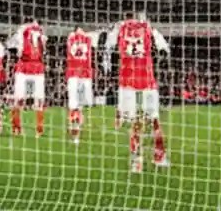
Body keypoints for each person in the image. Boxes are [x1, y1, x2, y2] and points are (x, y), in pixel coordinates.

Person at [103, 11, 171, 172]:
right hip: (147, 80)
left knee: (134, 123)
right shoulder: (148, 27)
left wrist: (109, 67)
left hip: (127, 81)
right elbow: (165, 49)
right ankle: (159, 157)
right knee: (154, 121)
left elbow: (107, 48)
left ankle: (136, 161)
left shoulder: (119, 28)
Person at [6, 19, 47, 136]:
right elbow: (44, 49)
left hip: (24, 66)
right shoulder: (41, 31)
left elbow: (17, 49)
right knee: (39, 100)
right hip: (37, 66)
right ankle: (39, 130)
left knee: (18, 98)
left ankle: (16, 128)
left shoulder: (22, 29)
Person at [65, 27, 96, 144]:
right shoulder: (88, 38)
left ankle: (74, 129)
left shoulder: (70, 38)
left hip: (73, 75)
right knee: (80, 106)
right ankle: (76, 130)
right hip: (84, 76)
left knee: (74, 105)